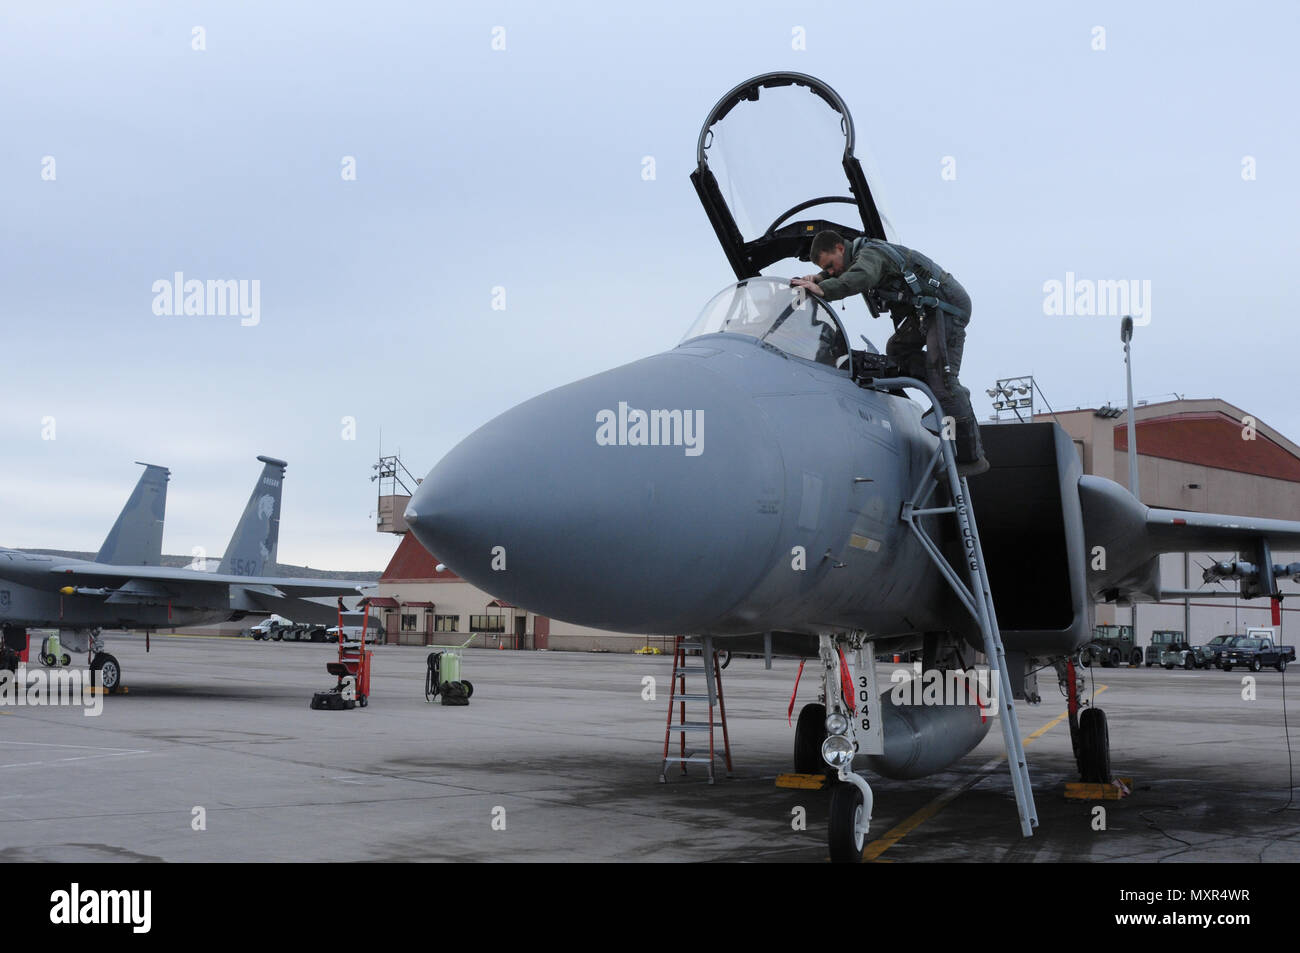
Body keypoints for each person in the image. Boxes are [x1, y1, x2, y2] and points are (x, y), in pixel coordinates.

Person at [792, 230, 989, 476]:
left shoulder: (871, 254)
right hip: (925, 312)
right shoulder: (856, 255)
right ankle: (947, 395)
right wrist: (819, 277)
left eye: (830, 265)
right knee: (897, 349)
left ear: (841, 248)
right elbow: (844, 270)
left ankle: (971, 457)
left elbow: (861, 276)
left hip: (945, 309)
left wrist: (825, 289)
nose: (830, 271)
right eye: (826, 269)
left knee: (944, 381)